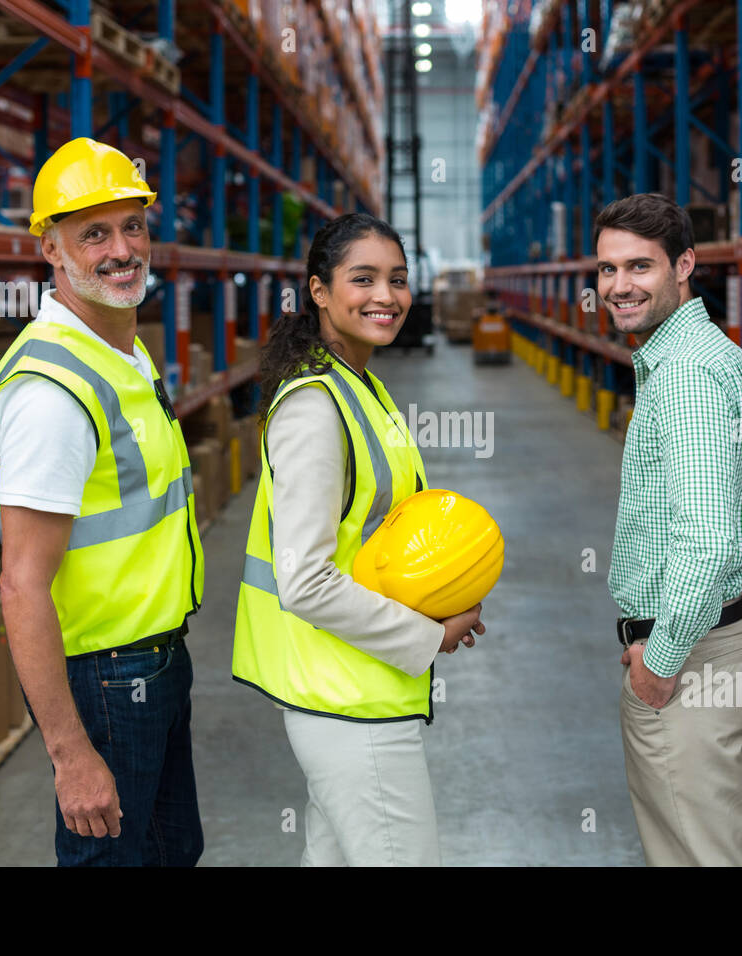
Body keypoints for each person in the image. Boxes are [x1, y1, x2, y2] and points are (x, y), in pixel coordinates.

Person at [0, 138, 205, 866]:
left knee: (170, 854)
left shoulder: (122, 351)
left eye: (132, 226)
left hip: (159, 660)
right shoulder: (51, 395)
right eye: (92, 233)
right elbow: (22, 582)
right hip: (106, 677)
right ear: (50, 248)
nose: (120, 249)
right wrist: (71, 754)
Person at [232, 213, 484, 867]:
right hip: (348, 705)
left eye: (397, 280)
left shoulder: (359, 386)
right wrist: (431, 635)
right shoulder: (316, 409)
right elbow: (306, 580)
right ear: (319, 290)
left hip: (352, 690)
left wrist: (445, 596)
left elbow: (382, 543)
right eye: (363, 278)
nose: (386, 296)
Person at [596, 192, 742, 866]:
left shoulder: (686, 376)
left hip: (692, 657)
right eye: (608, 269)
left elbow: (704, 536)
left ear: (685, 265)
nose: (620, 286)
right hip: (722, 639)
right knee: (727, 845)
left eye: (639, 267)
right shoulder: (711, 353)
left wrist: (662, 662)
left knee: (696, 854)